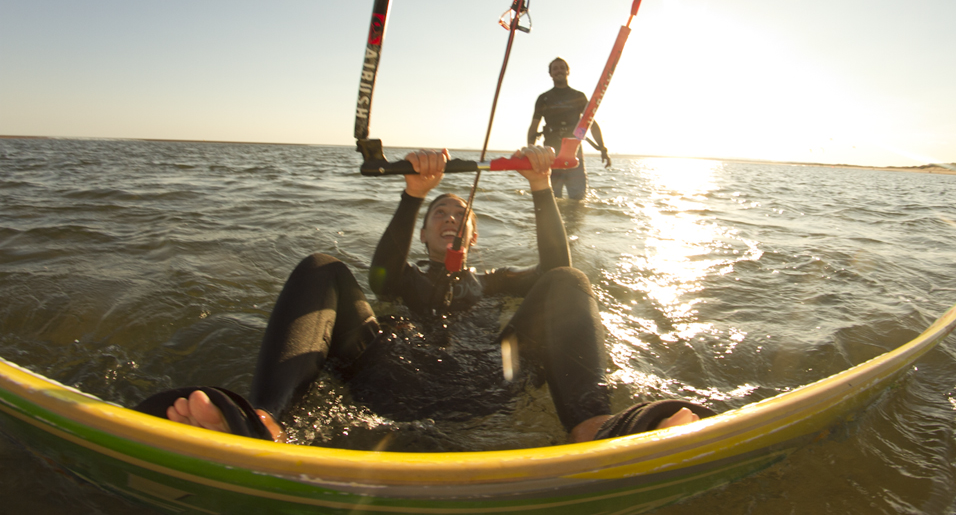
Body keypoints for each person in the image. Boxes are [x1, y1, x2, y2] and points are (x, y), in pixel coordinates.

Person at [136, 148, 710, 444]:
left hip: (487, 380)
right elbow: (381, 276)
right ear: (426, 230)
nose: (450, 218)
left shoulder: (498, 279)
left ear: (473, 234)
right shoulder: (406, 277)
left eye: (461, 214)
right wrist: (414, 194)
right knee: (321, 266)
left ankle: (592, 428)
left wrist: (541, 187)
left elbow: (555, 269)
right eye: (441, 213)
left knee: (568, 281)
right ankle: (265, 420)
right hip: (385, 375)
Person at [527, 57, 611, 201]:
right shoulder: (544, 98)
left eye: (561, 68)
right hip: (550, 154)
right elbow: (534, 126)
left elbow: (592, 124)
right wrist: (530, 150)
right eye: (555, 69)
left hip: (574, 154)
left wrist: (602, 148)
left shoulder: (578, 96)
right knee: (551, 200)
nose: (559, 71)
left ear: (568, 72)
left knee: (579, 201)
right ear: (551, 74)